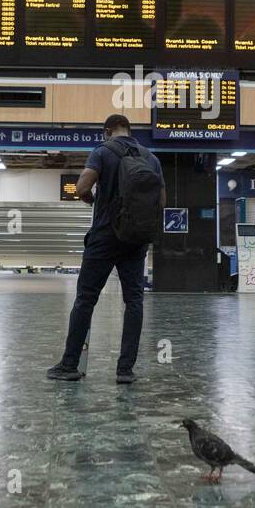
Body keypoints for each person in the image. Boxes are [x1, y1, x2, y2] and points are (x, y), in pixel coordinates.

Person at [47, 114, 164, 384]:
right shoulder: (151, 158)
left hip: (104, 235)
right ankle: (125, 370)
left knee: (86, 299)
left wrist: (95, 202)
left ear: (107, 131)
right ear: (129, 130)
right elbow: (161, 201)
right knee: (134, 301)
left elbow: (81, 188)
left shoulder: (102, 151)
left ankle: (69, 365)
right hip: (136, 238)